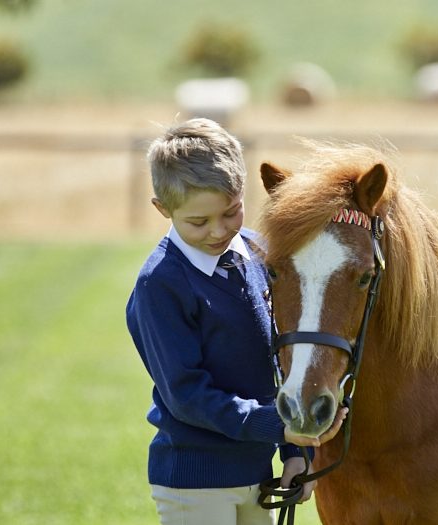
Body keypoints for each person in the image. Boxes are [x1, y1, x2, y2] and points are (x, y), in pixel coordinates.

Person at [126, 118, 347, 525]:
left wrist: (297, 454)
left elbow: (285, 366)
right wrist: (278, 427)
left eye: (231, 213)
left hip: (259, 477)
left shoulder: (261, 255)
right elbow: (187, 395)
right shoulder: (161, 284)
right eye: (198, 222)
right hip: (194, 484)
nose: (218, 231)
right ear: (163, 209)